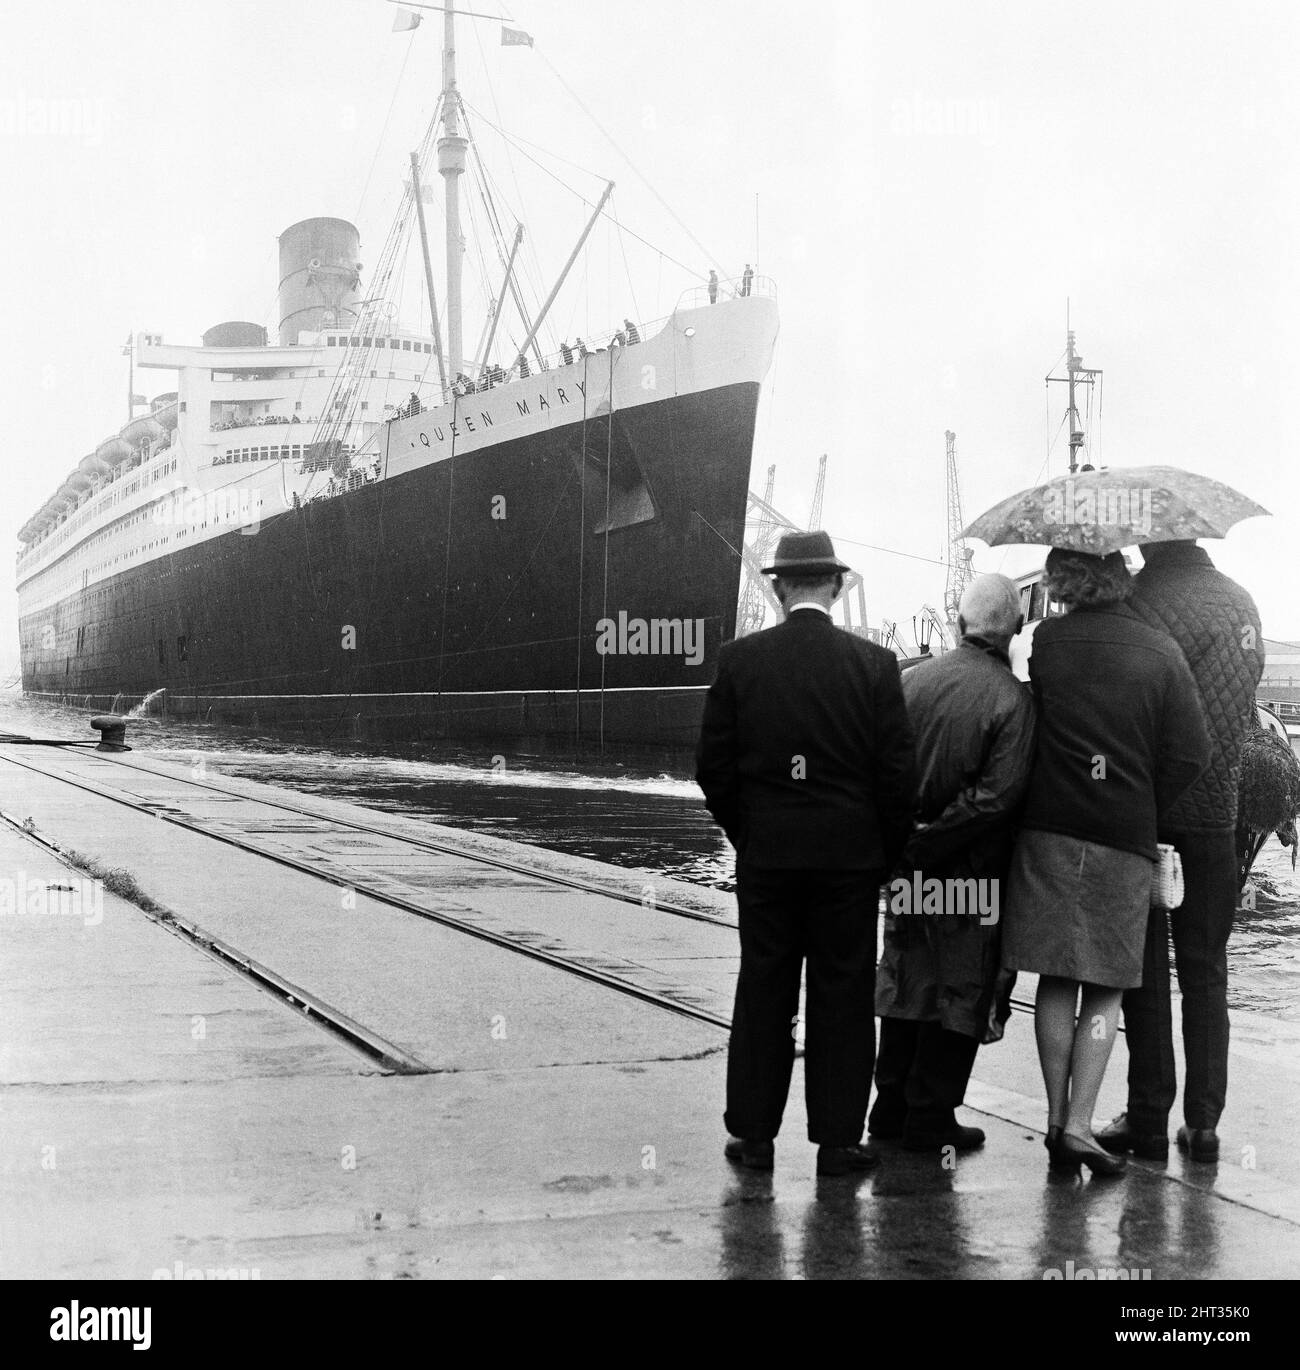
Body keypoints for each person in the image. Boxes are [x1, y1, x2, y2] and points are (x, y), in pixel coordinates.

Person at [696, 531, 916, 1178]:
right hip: (848, 863)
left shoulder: (740, 661)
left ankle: (755, 1137)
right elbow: (898, 778)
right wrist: (879, 855)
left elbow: (713, 767)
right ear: (838, 586)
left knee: (763, 989)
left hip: (769, 858)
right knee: (844, 995)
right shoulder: (874, 666)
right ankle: (840, 1142)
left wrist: (751, 833)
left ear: (777, 586)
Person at [1002, 548, 1210, 1175]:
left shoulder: (1045, 644)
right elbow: (1191, 753)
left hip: (1048, 829)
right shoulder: (1160, 650)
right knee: (1108, 985)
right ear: (1122, 578)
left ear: (1061, 582)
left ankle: (1054, 1119)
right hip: (1123, 833)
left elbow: (1023, 725)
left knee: (1057, 978)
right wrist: (1143, 798)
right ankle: (1081, 1125)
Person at [1098, 541, 1264, 1163]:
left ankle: (1146, 1116)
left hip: (1148, 814)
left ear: (1148, 543)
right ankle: (1204, 1124)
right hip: (1216, 816)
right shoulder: (1241, 603)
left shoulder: (1136, 603)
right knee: (1205, 969)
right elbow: (1239, 715)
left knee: (1146, 973)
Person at [871, 575, 1035, 1152]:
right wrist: (937, 841)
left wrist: (906, 846)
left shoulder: (910, 682)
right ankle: (932, 1114)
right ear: (1014, 629)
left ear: (961, 624)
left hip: (909, 872)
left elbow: (878, 777)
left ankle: (887, 1108)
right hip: (971, 874)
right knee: (960, 988)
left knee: (906, 977)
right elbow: (997, 799)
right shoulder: (1013, 701)